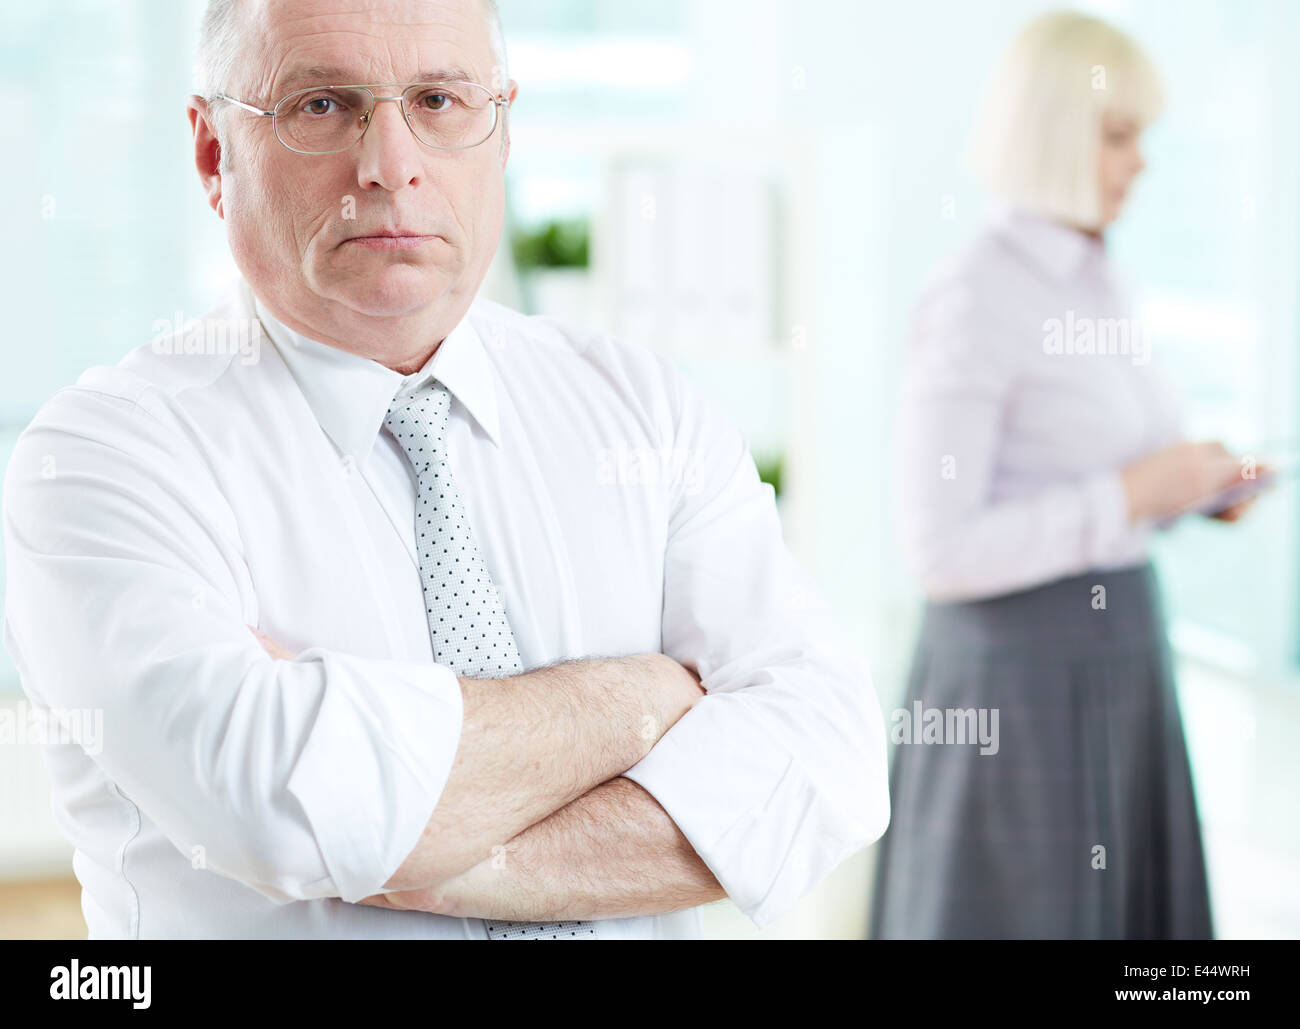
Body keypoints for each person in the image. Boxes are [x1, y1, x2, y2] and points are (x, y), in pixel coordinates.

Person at [1, 0, 888, 940]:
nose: (391, 165)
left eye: (438, 99)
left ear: (502, 132)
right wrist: (641, 700)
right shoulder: (106, 455)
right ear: (213, 153)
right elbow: (272, 800)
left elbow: (829, 759)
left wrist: (410, 835)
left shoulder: (639, 408)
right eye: (323, 106)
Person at [869, 10, 1256, 939]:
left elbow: (1109, 468)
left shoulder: (1103, 279)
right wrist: (1130, 495)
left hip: (1122, 659)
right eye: (1119, 136)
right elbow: (937, 548)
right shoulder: (977, 293)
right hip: (1016, 685)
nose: (1141, 163)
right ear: (1053, 132)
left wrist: (1194, 489)